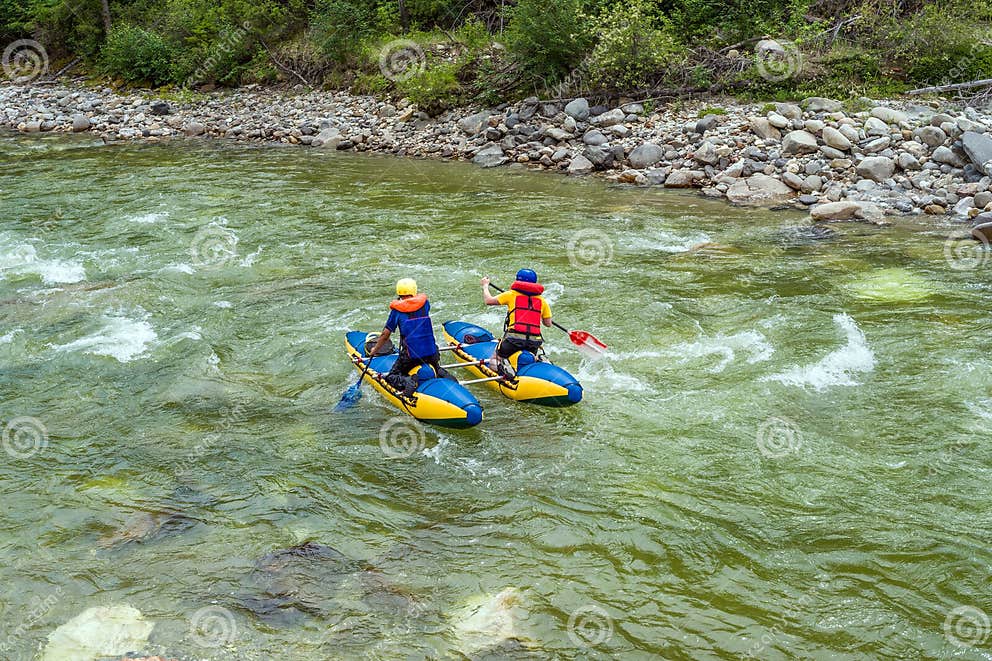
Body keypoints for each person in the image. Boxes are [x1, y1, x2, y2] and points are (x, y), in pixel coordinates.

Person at [368, 278, 446, 396]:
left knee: (391, 376)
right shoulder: (425, 303)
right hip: (432, 352)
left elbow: (385, 335)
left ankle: (409, 381)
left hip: (411, 356)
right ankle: (439, 370)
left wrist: (375, 350)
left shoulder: (396, 311)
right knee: (434, 363)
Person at [480, 269, 552, 374]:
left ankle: (503, 367)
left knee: (495, 359)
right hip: (534, 342)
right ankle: (538, 360)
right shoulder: (542, 301)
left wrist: (485, 286)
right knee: (530, 356)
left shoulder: (511, 294)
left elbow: (488, 301)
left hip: (513, 340)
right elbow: (548, 324)